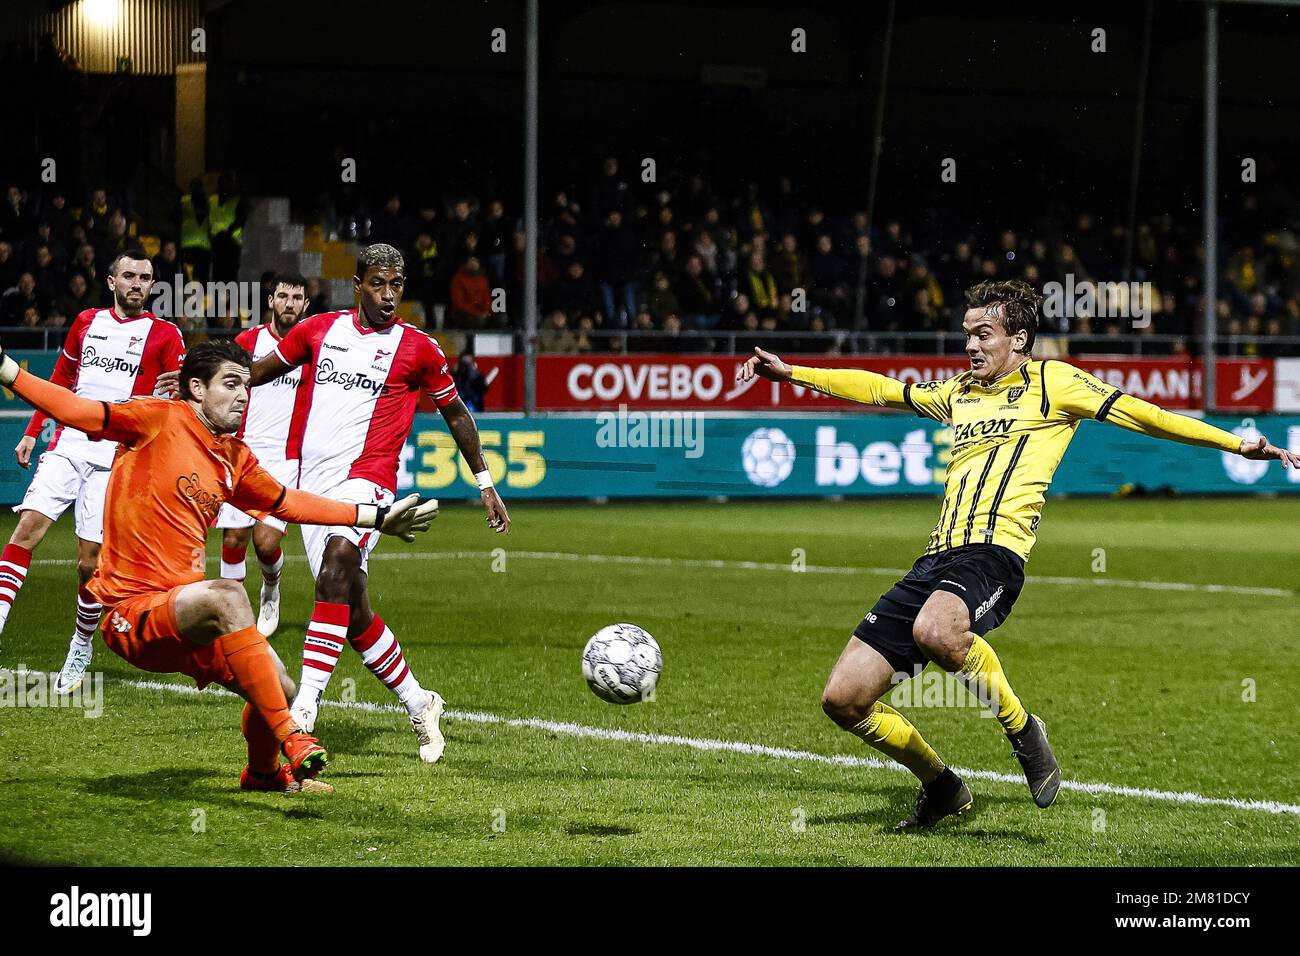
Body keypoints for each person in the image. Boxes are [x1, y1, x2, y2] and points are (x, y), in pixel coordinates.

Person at [736, 279, 1300, 829]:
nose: (970, 346)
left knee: (937, 631)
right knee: (843, 700)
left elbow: (1143, 414)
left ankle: (1024, 730)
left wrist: (1236, 441)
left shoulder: (1054, 382)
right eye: (967, 334)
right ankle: (943, 787)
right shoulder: (959, 393)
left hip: (994, 555)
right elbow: (881, 389)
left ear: (1020, 339)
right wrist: (791, 373)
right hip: (935, 559)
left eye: (984, 334)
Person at [0, 338, 439, 792]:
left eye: (247, 385)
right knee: (229, 594)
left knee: (281, 689)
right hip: (129, 613)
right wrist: (7, 371)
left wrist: (374, 516)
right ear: (196, 387)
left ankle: (263, 774)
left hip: (188, 620)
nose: (243, 395)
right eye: (231, 384)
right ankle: (294, 738)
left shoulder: (234, 457)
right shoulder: (156, 418)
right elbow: (76, 411)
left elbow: (287, 503)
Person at [245, 243, 511, 762]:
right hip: (310, 486)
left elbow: (456, 413)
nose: (389, 296)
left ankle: (304, 708)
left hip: (369, 483)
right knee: (351, 610)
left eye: (397, 287)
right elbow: (255, 372)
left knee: (336, 565)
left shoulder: (419, 349)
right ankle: (420, 701)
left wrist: (484, 480)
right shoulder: (317, 331)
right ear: (358, 285)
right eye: (378, 285)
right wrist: (196, 389)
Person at [1, 251, 185, 696]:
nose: (138, 283)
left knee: (89, 563)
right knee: (26, 530)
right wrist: (32, 433)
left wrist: (176, 390)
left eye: (145, 277)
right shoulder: (85, 322)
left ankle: (81, 642)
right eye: (129, 275)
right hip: (67, 445)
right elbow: (59, 383)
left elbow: (181, 397)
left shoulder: (165, 335)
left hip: (117, 459)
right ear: (111, 281)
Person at [213, 272, 309, 636]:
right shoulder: (247, 341)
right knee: (234, 538)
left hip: (286, 459)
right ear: (270, 301)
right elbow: (217, 379)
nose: (289, 304)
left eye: (296, 298)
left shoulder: (313, 347)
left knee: (265, 541)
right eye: (283, 296)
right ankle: (231, 617)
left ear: (305, 305)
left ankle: (271, 588)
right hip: (241, 453)